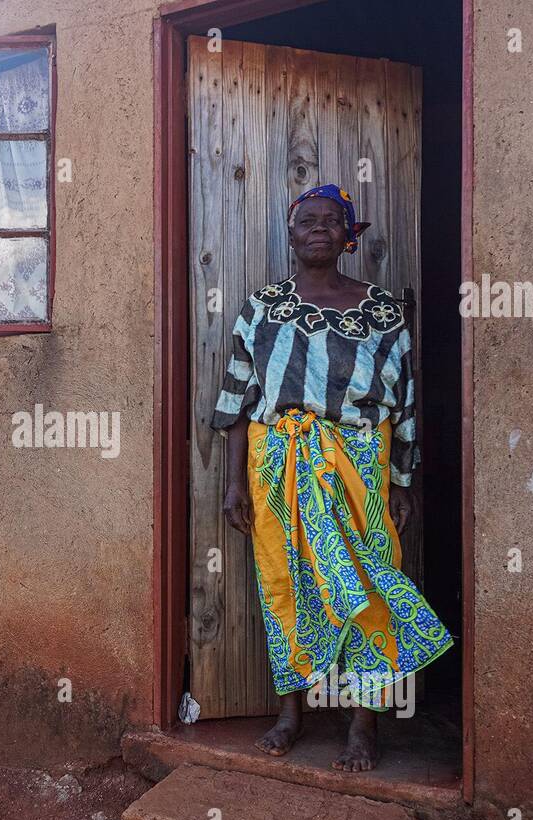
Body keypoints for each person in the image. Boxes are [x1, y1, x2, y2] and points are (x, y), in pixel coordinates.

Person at [212, 183, 453, 772]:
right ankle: (291, 714)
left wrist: (401, 482)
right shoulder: (261, 308)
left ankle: (363, 723)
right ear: (291, 236)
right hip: (278, 463)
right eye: (307, 221)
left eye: (331, 221)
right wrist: (235, 481)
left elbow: (405, 404)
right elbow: (238, 400)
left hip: (359, 462)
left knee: (370, 580)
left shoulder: (381, 311)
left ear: (349, 236)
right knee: (284, 582)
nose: (318, 229)